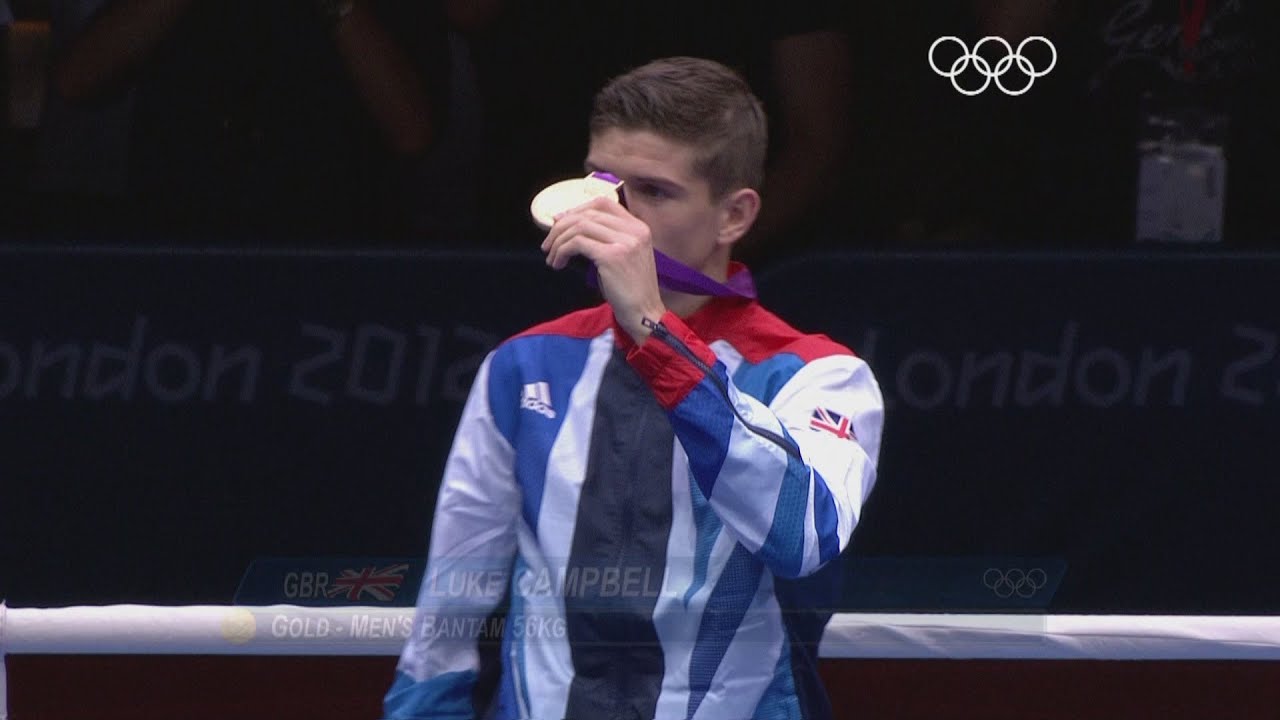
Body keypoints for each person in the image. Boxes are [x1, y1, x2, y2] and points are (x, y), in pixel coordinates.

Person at [384, 57, 883, 720]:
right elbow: (449, 610)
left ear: (733, 215)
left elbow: (802, 535)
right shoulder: (523, 367)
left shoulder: (820, 375)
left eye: (653, 191)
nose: (614, 213)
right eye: (602, 182)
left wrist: (654, 330)